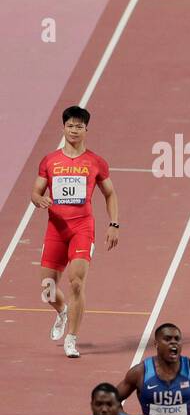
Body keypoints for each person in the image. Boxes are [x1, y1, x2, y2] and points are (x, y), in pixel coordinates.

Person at [31, 106, 120, 359]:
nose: (74, 130)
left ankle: (72, 338)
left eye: (79, 126)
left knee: (77, 283)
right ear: (64, 128)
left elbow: (110, 193)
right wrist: (39, 199)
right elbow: (35, 191)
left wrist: (114, 224)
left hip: (82, 228)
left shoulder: (95, 162)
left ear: (85, 130)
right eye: (70, 126)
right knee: (47, 289)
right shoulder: (50, 161)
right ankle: (62, 311)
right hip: (55, 230)